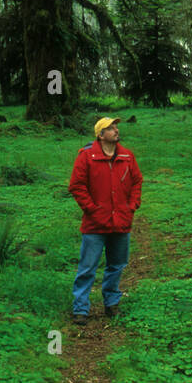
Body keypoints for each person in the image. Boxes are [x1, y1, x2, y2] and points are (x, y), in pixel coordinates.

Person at [68, 117, 143, 325]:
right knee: (87, 267)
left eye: (116, 127)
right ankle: (80, 309)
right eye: (111, 128)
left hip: (121, 222)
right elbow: (77, 186)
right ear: (100, 135)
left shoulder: (127, 156)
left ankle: (111, 303)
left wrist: (131, 206)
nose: (116, 130)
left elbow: (137, 181)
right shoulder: (86, 156)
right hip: (94, 224)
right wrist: (92, 210)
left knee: (116, 265)